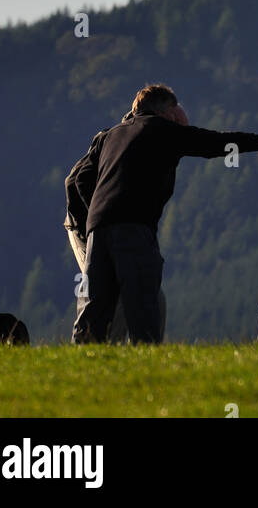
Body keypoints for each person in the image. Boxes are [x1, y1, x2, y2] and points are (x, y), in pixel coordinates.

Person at [70, 83, 258, 344]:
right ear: (167, 112)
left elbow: (78, 178)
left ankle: (80, 364)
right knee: (142, 304)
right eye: (177, 110)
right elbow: (212, 142)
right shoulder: (162, 130)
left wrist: (94, 214)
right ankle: (147, 368)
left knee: (95, 308)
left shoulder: (110, 135)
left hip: (98, 229)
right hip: (134, 227)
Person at [64, 110, 166, 342]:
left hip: (96, 224)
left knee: (143, 292)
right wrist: (96, 222)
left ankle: (120, 350)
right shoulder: (116, 140)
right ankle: (105, 348)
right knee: (113, 291)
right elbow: (75, 181)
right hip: (84, 226)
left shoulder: (131, 139)